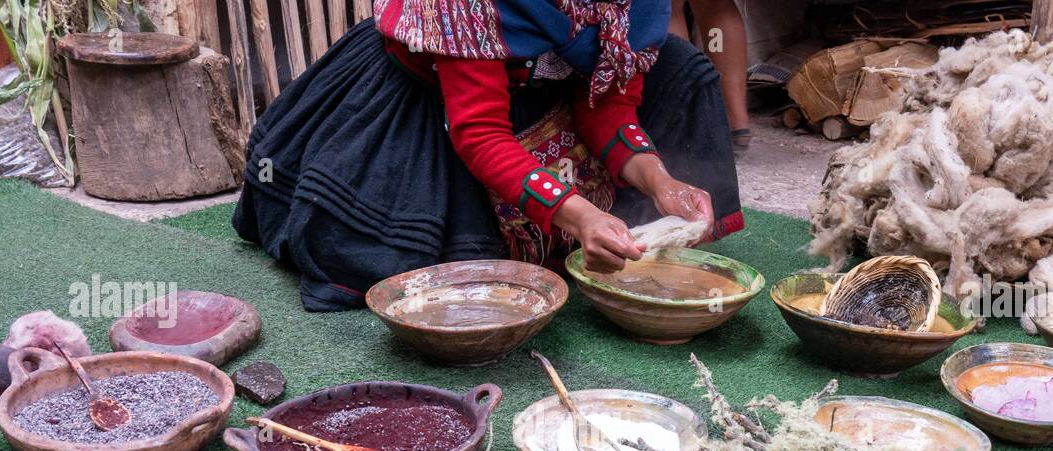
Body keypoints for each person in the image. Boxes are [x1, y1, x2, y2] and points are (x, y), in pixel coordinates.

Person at [233, 0, 744, 311]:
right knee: (395, 265)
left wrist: (660, 182)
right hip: (429, 99)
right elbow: (479, 133)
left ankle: (608, 235)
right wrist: (581, 213)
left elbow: (605, 103)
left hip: (546, 89)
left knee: (684, 69)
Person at [669, 0, 751, 151]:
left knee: (669, 8)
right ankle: (735, 121)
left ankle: (681, 122)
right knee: (715, 6)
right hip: (717, 33)